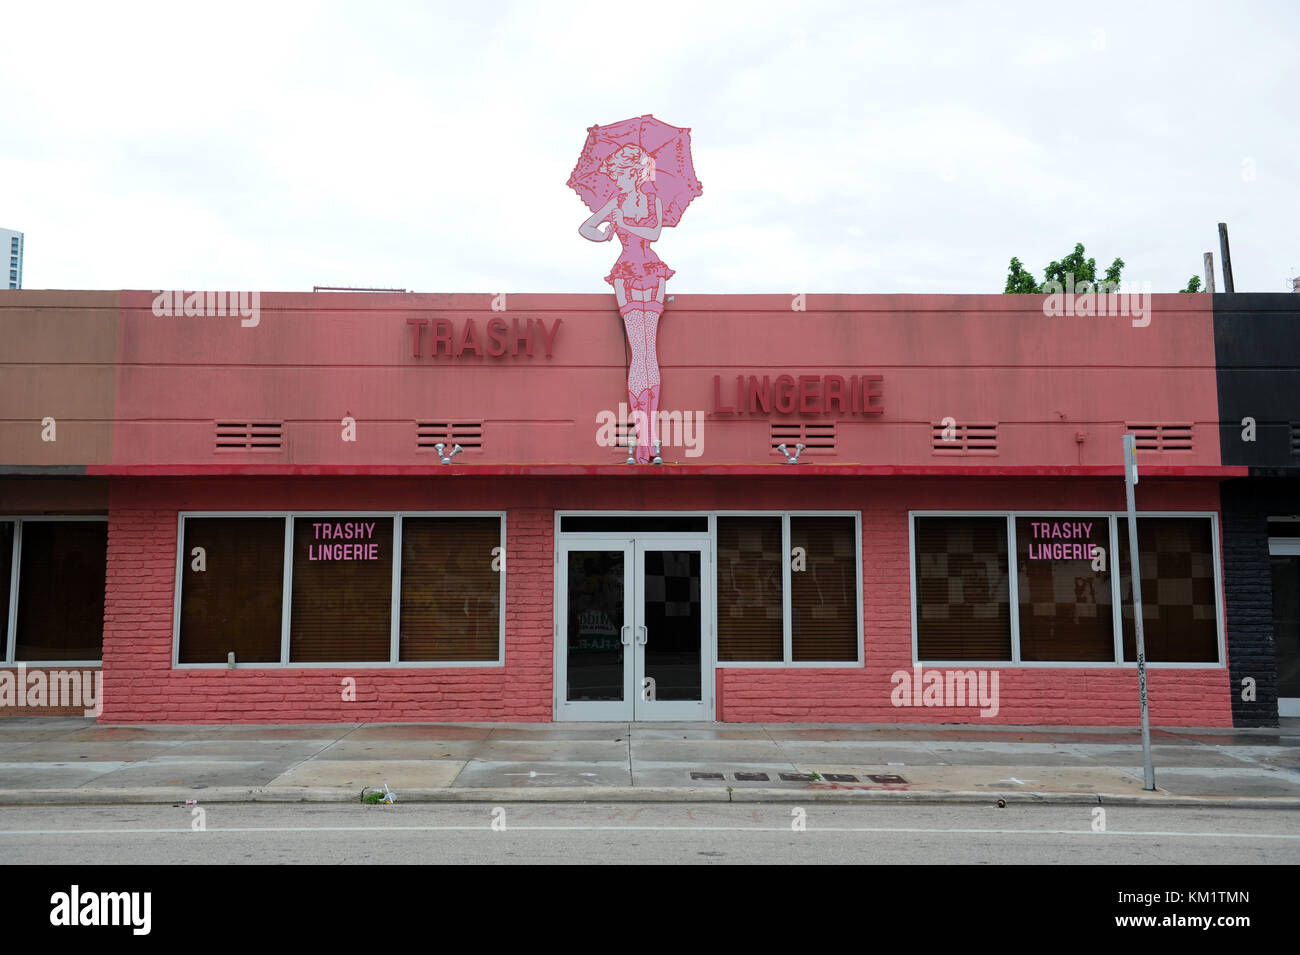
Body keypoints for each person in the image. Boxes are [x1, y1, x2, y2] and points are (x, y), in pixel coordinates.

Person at [578, 144, 673, 464]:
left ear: (631, 173)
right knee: (640, 350)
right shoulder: (615, 202)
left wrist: (622, 224)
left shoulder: (651, 199)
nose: (615, 180)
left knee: (648, 351)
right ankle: (645, 437)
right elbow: (585, 227)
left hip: (651, 271)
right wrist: (605, 233)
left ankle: (647, 439)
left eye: (618, 174)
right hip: (626, 274)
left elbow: (655, 232)